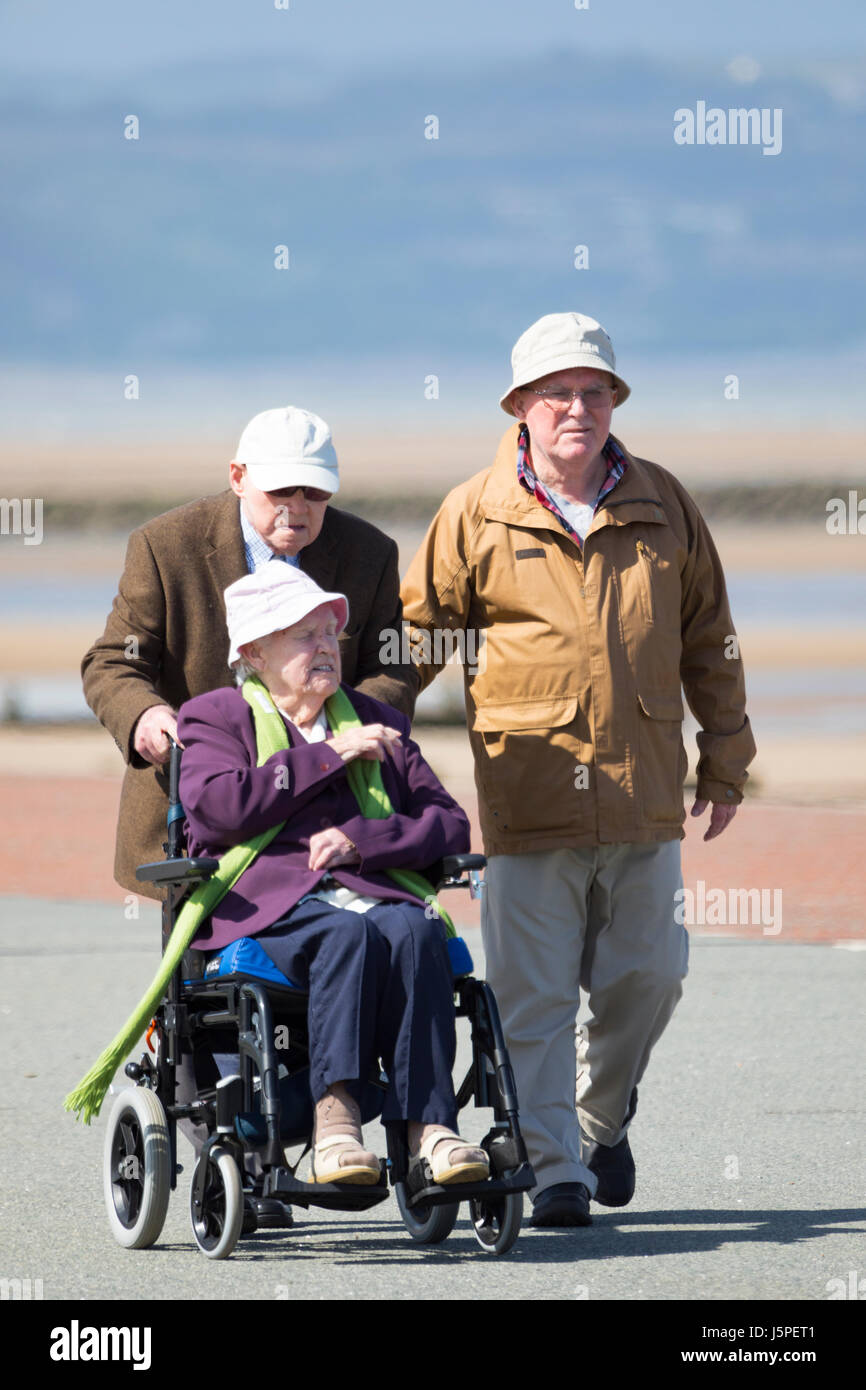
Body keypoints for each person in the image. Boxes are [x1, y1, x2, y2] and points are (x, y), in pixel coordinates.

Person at [399, 311, 756, 1226]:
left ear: (613, 402)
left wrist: (725, 757)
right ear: (520, 406)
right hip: (529, 793)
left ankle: (598, 1122)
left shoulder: (663, 501)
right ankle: (556, 1168)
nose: (577, 408)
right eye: (556, 393)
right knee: (534, 996)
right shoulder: (476, 509)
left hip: (643, 792)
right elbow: (414, 639)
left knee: (653, 975)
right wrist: (362, 735)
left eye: (594, 391)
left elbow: (708, 637)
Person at [176, 563, 488, 1185]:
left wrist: (363, 840)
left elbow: (449, 825)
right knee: (347, 936)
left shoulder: (378, 720)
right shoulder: (214, 718)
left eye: (329, 633)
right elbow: (217, 807)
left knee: (419, 930)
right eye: (303, 635)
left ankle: (430, 1128)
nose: (325, 646)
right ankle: (335, 1125)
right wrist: (325, 757)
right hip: (266, 910)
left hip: (371, 893)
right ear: (254, 652)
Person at [82, 405, 414, 901]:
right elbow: (114, 661)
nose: (297, 508)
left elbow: (393, 667)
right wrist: (144, 716)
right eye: (280, 490)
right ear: (238, 477)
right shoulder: (165, 546)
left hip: (331, 810)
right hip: (199, 814)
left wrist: (344, 734)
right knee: (206, 969)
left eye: (316, 492)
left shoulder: (370, 553)